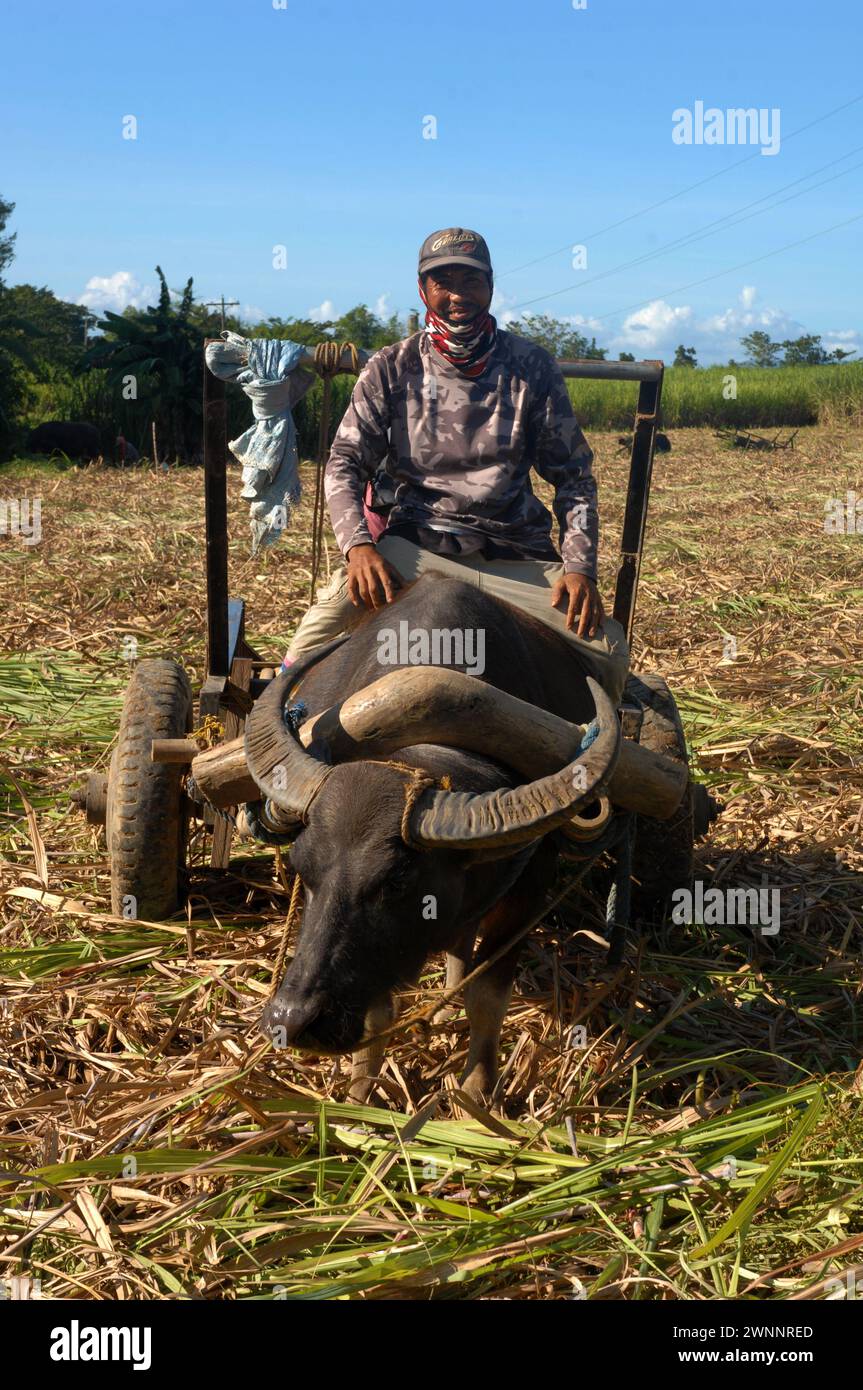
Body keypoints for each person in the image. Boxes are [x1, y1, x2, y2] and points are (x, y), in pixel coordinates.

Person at [284, 227, 629, 704]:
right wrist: (358, 548)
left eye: (469, 281)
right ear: (423, 290)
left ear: (490, 286)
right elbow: (344, 462)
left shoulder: (532, 368)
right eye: (442, 282)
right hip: (420, 545)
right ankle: (273, 743)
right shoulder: (391, 366)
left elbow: (573, 478)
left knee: (609, 652)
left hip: (516, 552)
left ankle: (600, 760)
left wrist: (579, 568)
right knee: (311, 640)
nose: (457, 295)